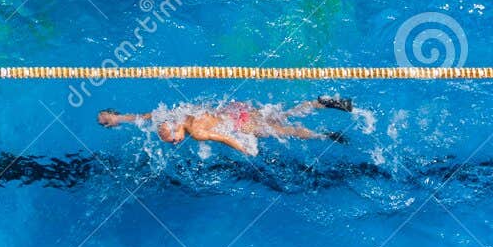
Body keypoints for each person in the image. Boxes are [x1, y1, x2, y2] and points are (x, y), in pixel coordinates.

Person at [98, 98, 353, 156]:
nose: (175, 142)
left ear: (175, 130)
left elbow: (222, 138)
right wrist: (119, 118)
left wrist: (244, 149)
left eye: (173, 139)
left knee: (285, 130)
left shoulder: (196, 133)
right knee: (282, 115)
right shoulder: (174, 114)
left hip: (240, 124)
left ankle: (326, 135)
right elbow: (145, 116)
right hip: (234, 110)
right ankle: (321, 103)